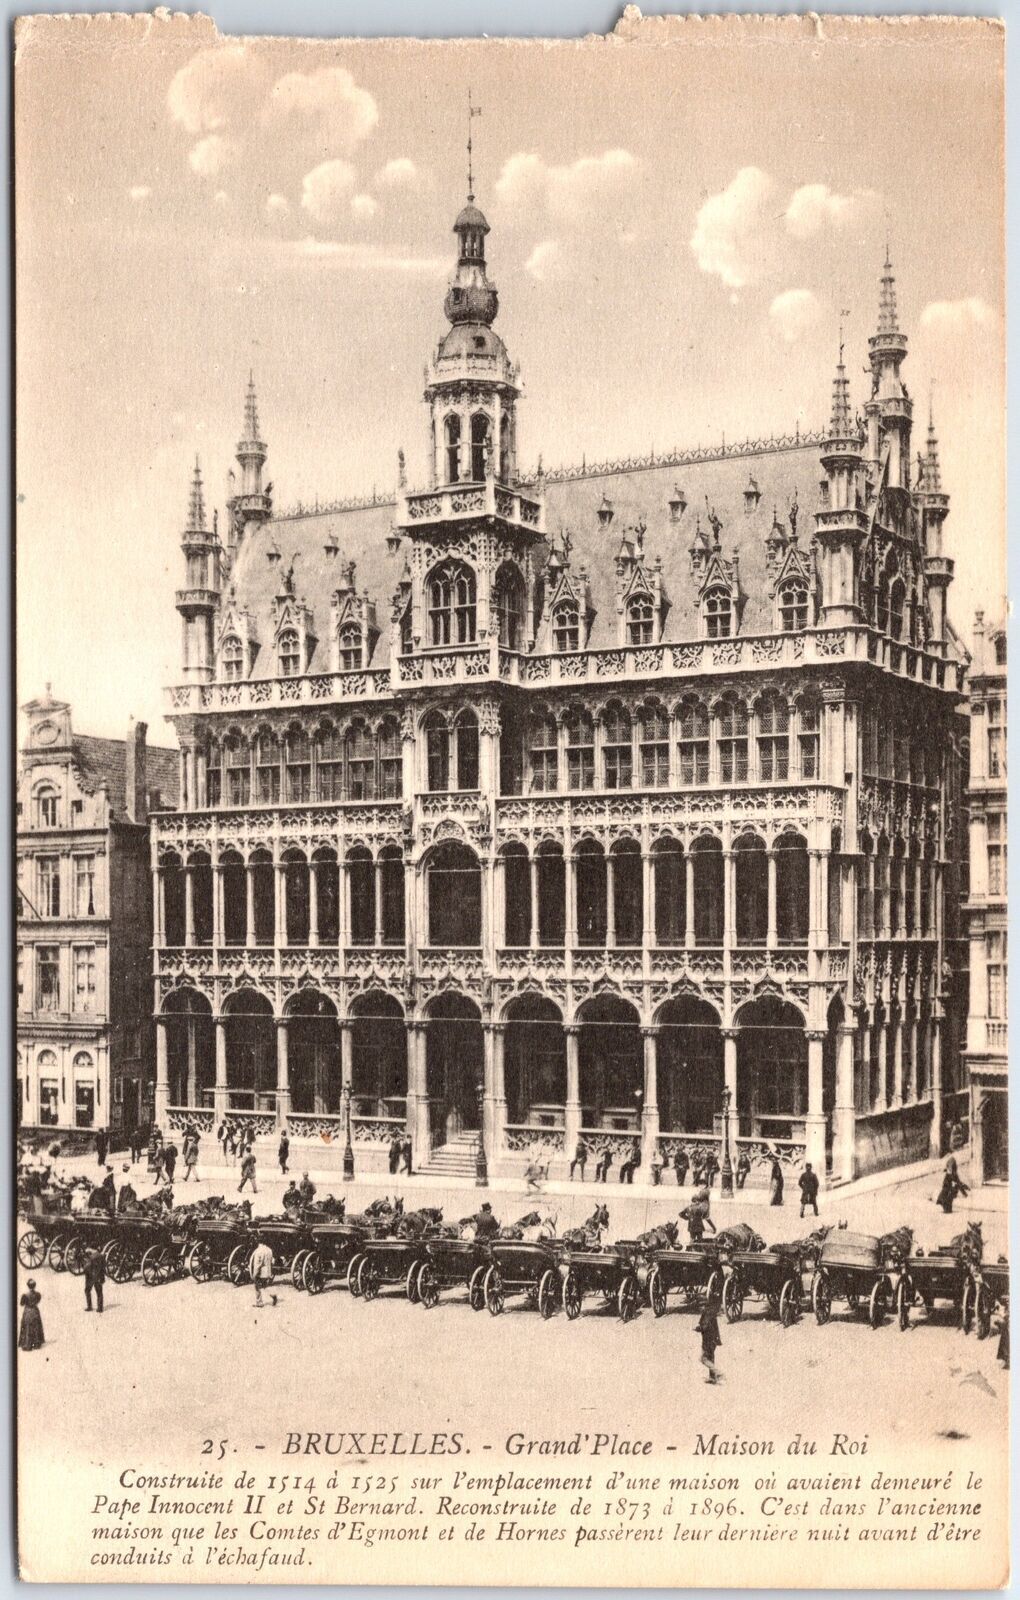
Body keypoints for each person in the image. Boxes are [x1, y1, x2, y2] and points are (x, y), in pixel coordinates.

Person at [695, 1296, 722, 1383]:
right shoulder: (710, 1312)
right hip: (714, 1339)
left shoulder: (707, 1314)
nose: (700, 1308)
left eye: (701, 1306)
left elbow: (704, 1327)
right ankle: (712, 1378)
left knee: (703, 1359)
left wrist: (698, 1328)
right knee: (711, 1357)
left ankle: (717, 1372)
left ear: (704, 1305)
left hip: (708, 1340)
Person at [249, 1235, 277, 1310]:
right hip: (267, 1272)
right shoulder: (269, 1250)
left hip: (261, 1272)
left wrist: (254, 1274)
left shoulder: (258, 1251)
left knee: (257, 1286)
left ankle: (259, 1303)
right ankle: (273, 1295)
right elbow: (272, 1261)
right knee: (265, 1286)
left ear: (258, 1242)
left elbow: (257, 1264)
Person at [19, 1280, 44, 1351]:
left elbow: (21, 1304)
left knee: (27, 1327)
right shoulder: (38, 1294)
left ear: (28, 1286)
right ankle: (36, 1344)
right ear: (34, 1286)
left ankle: (27, 1344)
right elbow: (38, 1301)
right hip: (35, 1311)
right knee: (36, 1326)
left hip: (28, 1312)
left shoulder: (25, 1295)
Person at [84, 1247, 106, 1313]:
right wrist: (102, 1278)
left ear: (91, 1249)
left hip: (90, 1277)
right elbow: (104, 1267)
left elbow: (87, 1268)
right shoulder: (101, 1256)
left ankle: (89, 1306)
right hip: (98, 1277)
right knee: (99, 1292)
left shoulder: (91, 1257)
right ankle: (100, 1308)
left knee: (87, 1291)